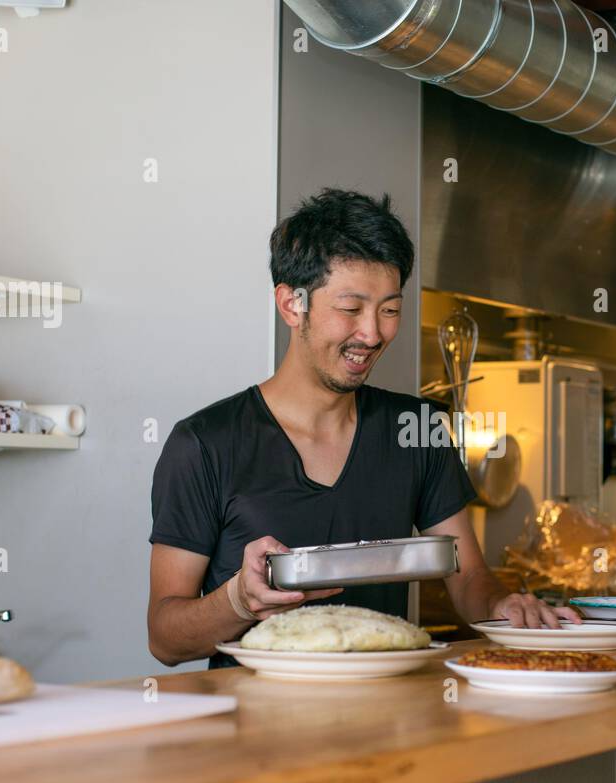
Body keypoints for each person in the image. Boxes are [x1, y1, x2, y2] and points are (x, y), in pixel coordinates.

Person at [147, 188, 578, 667]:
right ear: (292, 304)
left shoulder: (418, 428)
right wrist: (238, 601)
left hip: (389, 724)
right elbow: (165, 639)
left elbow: (469, 577)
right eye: (351, 309)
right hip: (256, 733)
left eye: (389, 310)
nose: (373, 334)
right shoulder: (205, 443)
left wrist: (503, 606)